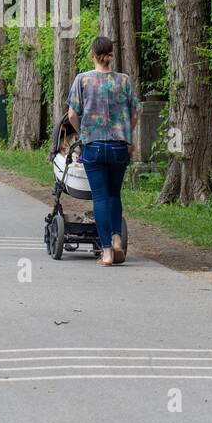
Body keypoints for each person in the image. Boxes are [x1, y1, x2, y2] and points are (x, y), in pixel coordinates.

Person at [66, 35, 141, 266]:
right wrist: (127, 134)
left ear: (92, 54)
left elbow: (71, 115)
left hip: (94, 146)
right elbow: (135, 112)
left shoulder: (83, 80)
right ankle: (117, 240)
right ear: (110, 55)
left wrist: (83, 134)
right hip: (119, 146)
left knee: (99, 196)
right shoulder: (124, 81)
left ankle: (107, 251)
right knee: (114, 194)